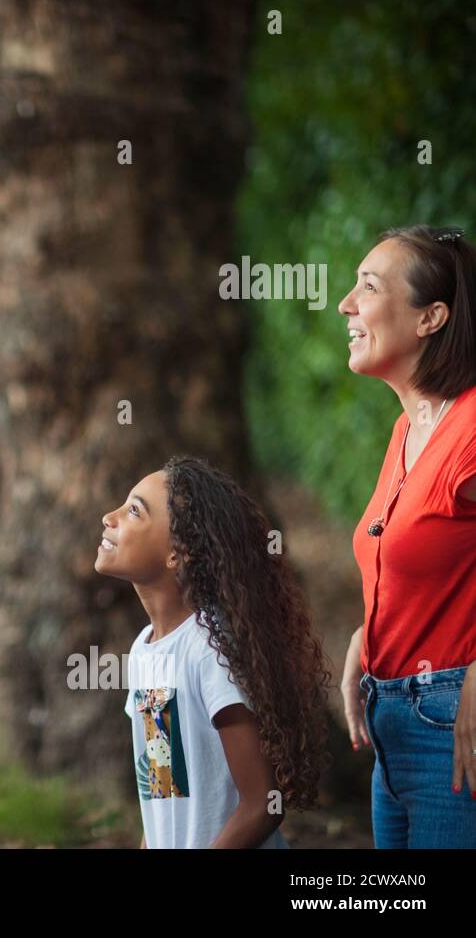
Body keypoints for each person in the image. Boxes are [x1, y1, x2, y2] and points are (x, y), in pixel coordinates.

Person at [95, 457, 331, 848]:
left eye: (134, 510)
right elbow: (163, 788)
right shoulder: (144, 651)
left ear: (177, 552)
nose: (109, 516)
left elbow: (264, 806)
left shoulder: (210, 651)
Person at [336, 225, 476, 848]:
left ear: (431, 318)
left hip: (451, 731)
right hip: (390, 725)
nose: (345, 303)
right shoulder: (408, 430)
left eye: (368, 286)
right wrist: (368, 636)